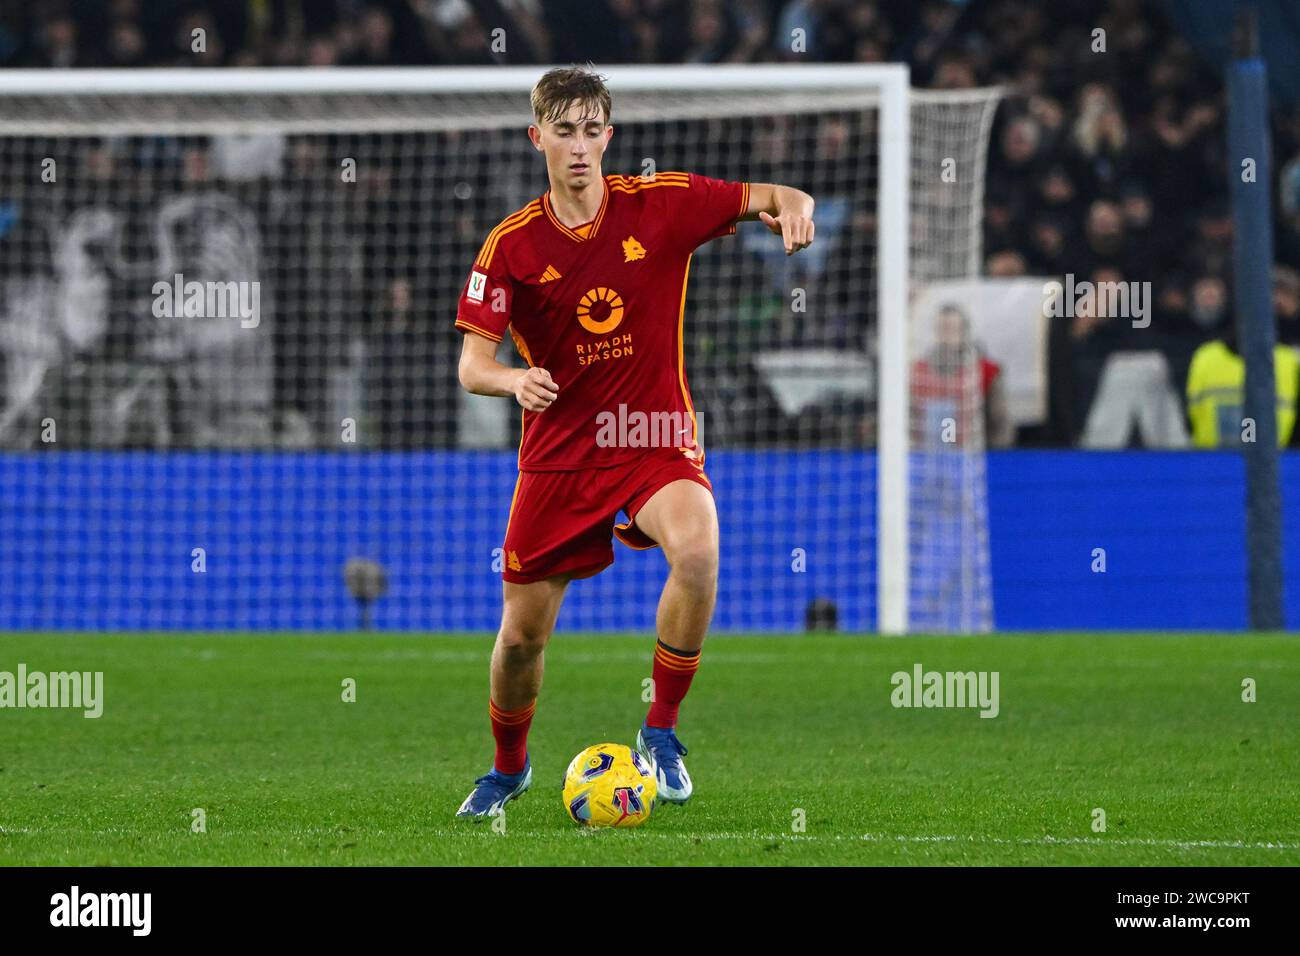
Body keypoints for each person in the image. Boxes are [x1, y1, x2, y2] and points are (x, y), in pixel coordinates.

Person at [452, 65, 815, 818]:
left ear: (608, 137)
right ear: (538, 138)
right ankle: (509, 768)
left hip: (652, 435)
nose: (580, 146)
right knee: (521, 637)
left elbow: (772, 196)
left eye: (593, 131)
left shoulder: (664, 205)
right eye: (564, 131)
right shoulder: (510, 247)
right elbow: (471, 366)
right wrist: (514, 381)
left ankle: (660, 731)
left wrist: (795, 207)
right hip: (560, 454)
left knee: (700, 548)